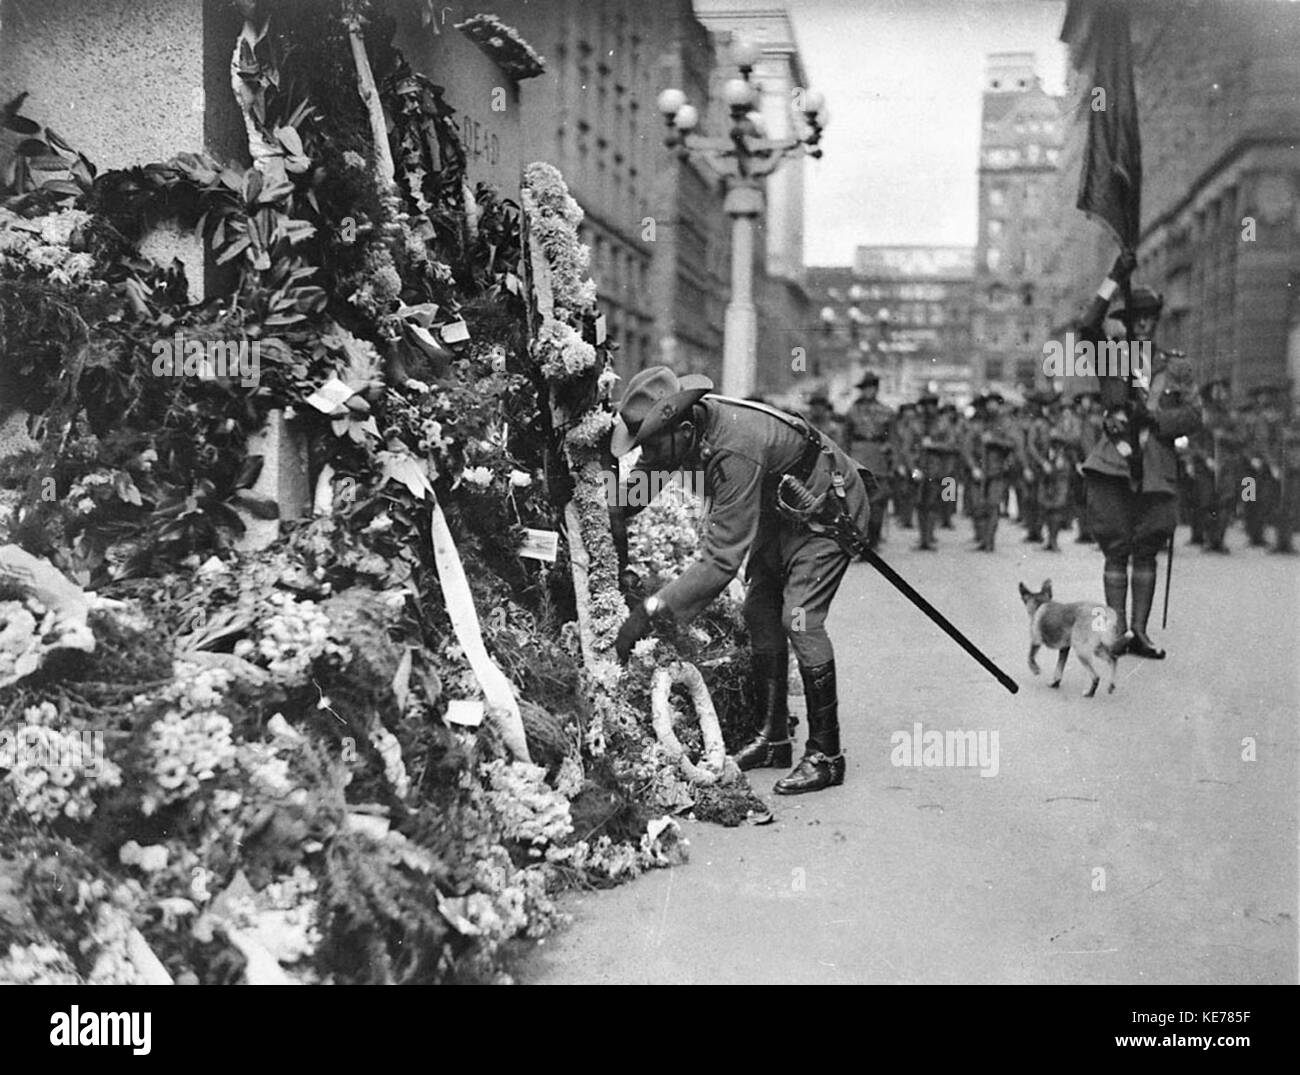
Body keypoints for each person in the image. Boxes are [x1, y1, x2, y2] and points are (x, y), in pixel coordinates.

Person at [609, 366, 870, 795]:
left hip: (826, 508)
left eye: (653, 445)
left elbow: (719, 562)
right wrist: (613, 509)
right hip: (781, 507)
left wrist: (650, 611)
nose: (649, 456)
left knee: (800, 617)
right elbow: (636, 492)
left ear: (685, 428)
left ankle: (826, 754)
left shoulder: (733, 449)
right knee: (758, 609)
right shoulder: (680, 438)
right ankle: (774, 739)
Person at [1077, 251, 1201, 659]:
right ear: (1126, 323)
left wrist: (1155, 415)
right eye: (1137, 318)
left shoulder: (1176, 368)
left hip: (1156, 468)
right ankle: (1115, 632)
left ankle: (1140, 634)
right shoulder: (1112, 355)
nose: (1145, 324)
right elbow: (1085, 325)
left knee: (1147, 547)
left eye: (1151, 318)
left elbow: (1193, 415)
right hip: (1114, 463)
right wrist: (1114, 276)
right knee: (1116, 548)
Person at [841, 371, 894, 551]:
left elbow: (894, 440)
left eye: (871, 388)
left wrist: (892, 458)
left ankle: (874, 540)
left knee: (877, 504)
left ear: (876, 389)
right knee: (856, 503)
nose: (868, 392)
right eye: (864, 388)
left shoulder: (887, 412)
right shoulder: (852, 411)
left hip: (878, 459)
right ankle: (859, 542)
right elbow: (845, 439)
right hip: (857, 457)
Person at [961, 392, 1019, 552]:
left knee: (993, 506)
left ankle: (989, 542)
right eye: (989, 403)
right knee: (978, 506)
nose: (991, 406)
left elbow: (1012, 444)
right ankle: (981, 537)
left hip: (996, 471)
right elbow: (966, 448)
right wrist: (973, 467)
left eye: (995, 403)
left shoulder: (1005, 424)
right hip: (979, 472)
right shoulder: (978, 424)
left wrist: (994, 440)